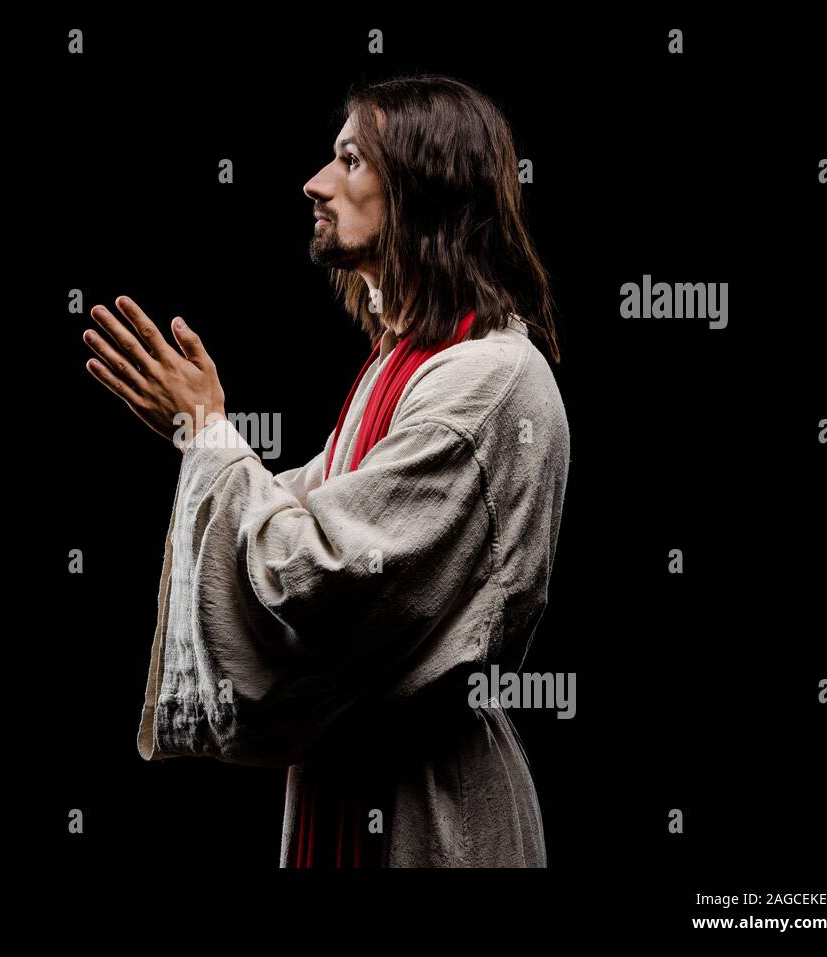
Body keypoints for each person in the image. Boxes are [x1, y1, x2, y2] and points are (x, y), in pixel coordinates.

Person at [83, 74, 569, 867]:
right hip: (345, 784)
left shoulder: (486, 382)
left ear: (424, 184)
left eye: (350, 161)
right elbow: (291, 515)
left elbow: (315, 575)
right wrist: (200, 435)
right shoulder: (398, 370)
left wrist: (209, 432)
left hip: (430, 815)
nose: (315, 182)